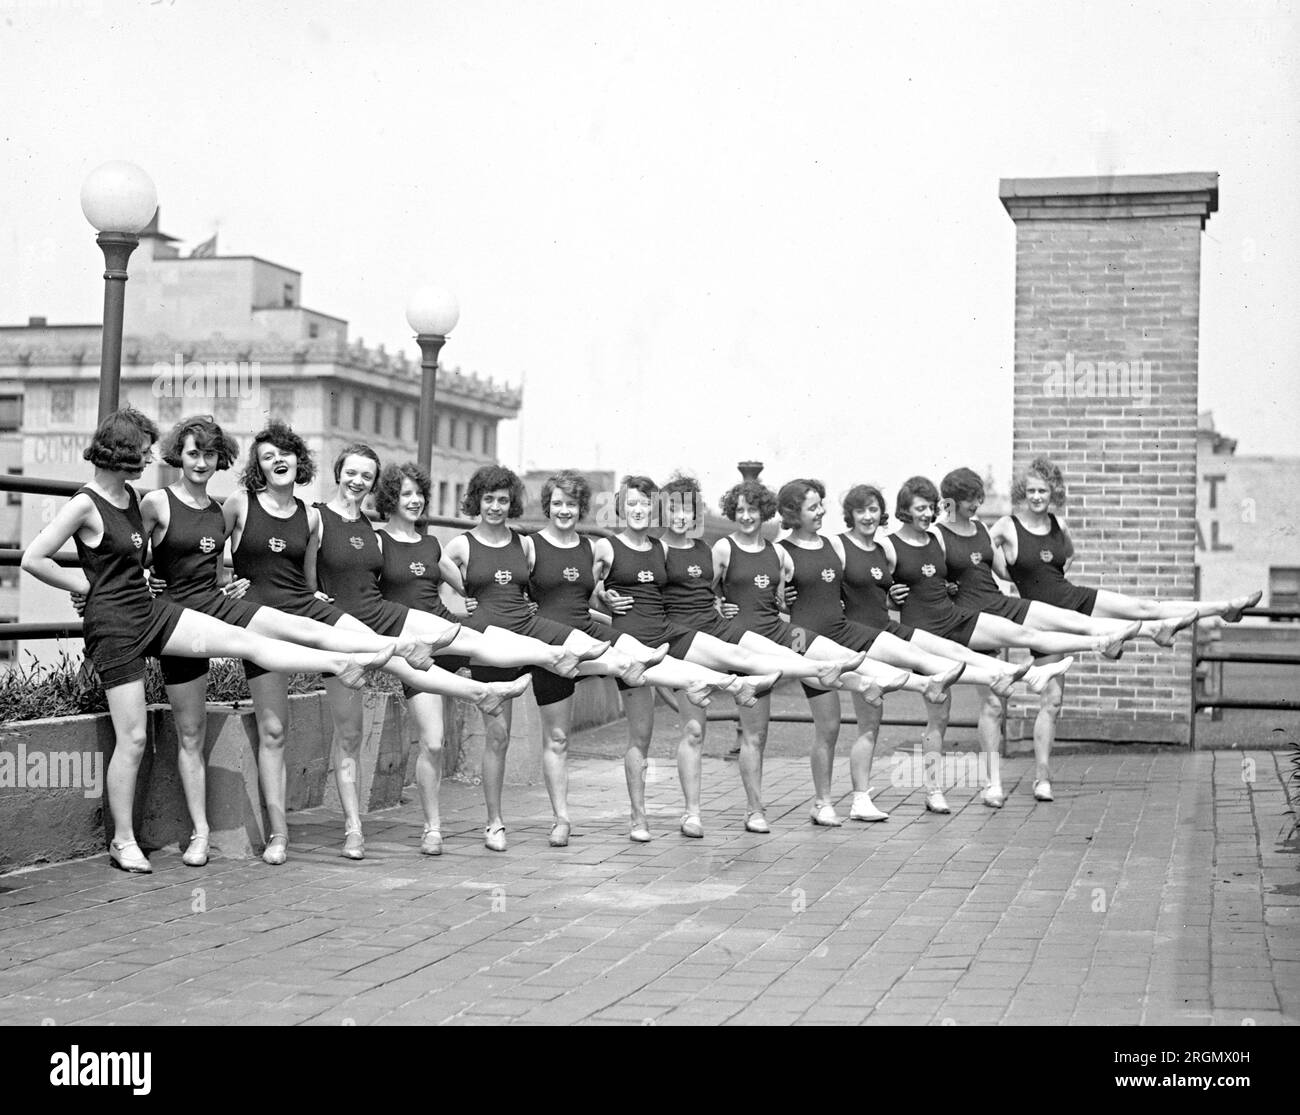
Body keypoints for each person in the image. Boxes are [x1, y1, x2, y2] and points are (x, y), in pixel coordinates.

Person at [20, 408, 395, 874]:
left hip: (159, 613)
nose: (146, 458)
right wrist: (88, 591)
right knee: (135, 737)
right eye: (139, 452)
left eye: (209, 454)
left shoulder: (136, 500)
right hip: (119, 625)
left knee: (250, 639)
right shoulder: (99, 502)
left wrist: (220, 585)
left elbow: (147, 560)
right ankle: (123, 839)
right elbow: (35, 558)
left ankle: (346, 659)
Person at [224, 423, 527, 863]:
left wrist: (476, 591)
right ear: (337, 472)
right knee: (274, 730)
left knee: (351, 734)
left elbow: (393, 571)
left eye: (367, 475)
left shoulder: (369, 527)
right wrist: (230, 583)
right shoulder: (315, 515)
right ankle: (278, 835)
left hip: (347, 631)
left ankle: (353, 830)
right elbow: (253, 565)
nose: (358, 481)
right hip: (292, 627)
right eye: (351, 472)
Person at [987, 456, 1262, 801]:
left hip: (1071, 599)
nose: (1037, 496)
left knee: (1145, 608)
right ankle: (1042, 779)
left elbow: (1066, 558)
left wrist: (1036, 575)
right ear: (1021, 492)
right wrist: (1007, 571)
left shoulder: (1059, 525)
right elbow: (984, 557)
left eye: (1043, 490)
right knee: (1052, 699)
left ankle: (1225, 606)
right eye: (1031, 491)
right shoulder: (1006, 526)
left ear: (1053, 490)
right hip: (1043, 620)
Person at [442, 465, 676, 853]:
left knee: (558, 736)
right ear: (546, 507)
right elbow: (469, 574)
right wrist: (461, 599)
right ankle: (494, 823)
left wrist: (605, 600)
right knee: (498, 737)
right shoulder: (528, 544)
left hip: (562, 644)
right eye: (557, 503)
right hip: (512, 642)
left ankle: (562, 819)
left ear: (580, 507)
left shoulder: (589, 548)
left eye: (571, 504)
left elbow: (593, 592)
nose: (564, 510)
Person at [593, 475, 780, 843]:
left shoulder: (705, 549)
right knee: (686, 731)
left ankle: (747, 809)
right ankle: (670, 814)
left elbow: (712, 590)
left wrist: (721, 603)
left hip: (704, 639)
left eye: (688, 509)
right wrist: (603, 599)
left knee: (740, 729)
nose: (680, 516)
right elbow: (609, 585)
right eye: (674, 508)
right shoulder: (653, 549)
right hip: (668, 645)